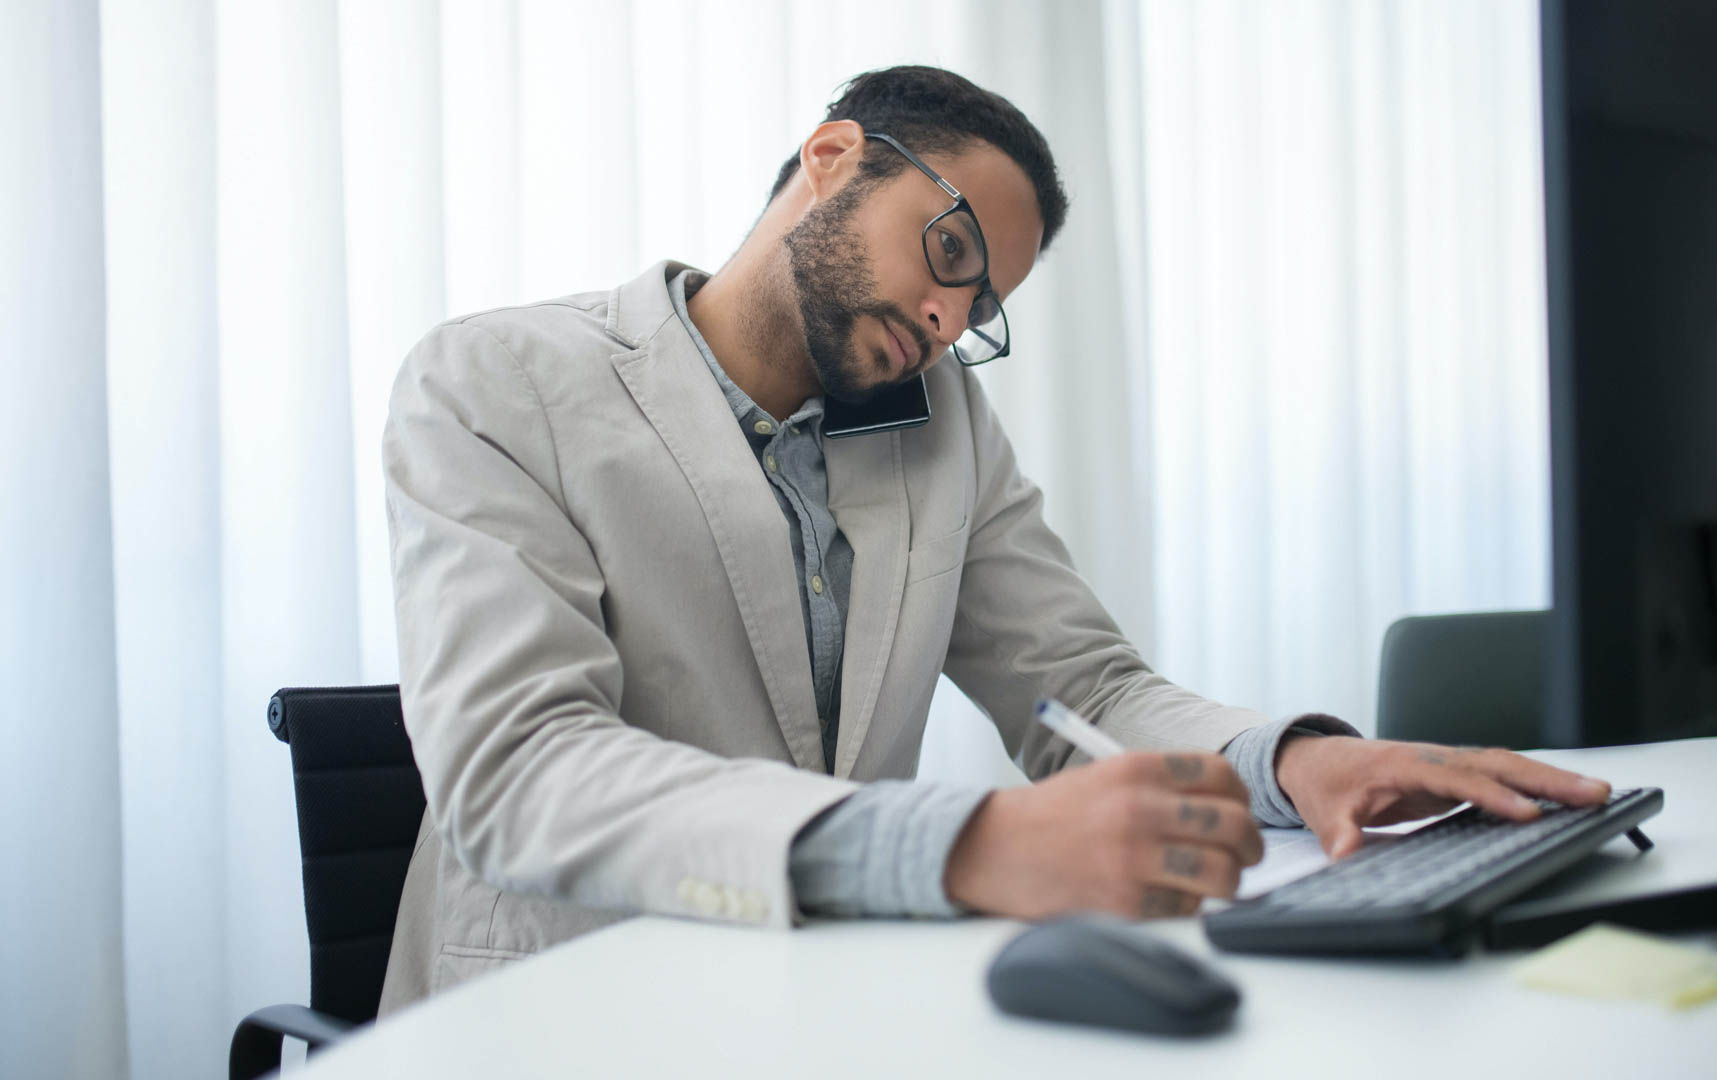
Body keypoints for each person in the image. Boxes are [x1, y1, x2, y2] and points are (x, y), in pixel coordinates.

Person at [378, 64, 1610, 1013]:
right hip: (565, 1013)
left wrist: (1292, 763)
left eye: (982, 304)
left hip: (823, 1003)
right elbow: (519, 769)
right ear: (832, 158)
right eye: (950, 250)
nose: (948, 317)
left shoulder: (943, 420)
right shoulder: (497, 381)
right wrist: (965, 843)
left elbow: (1079, 686)